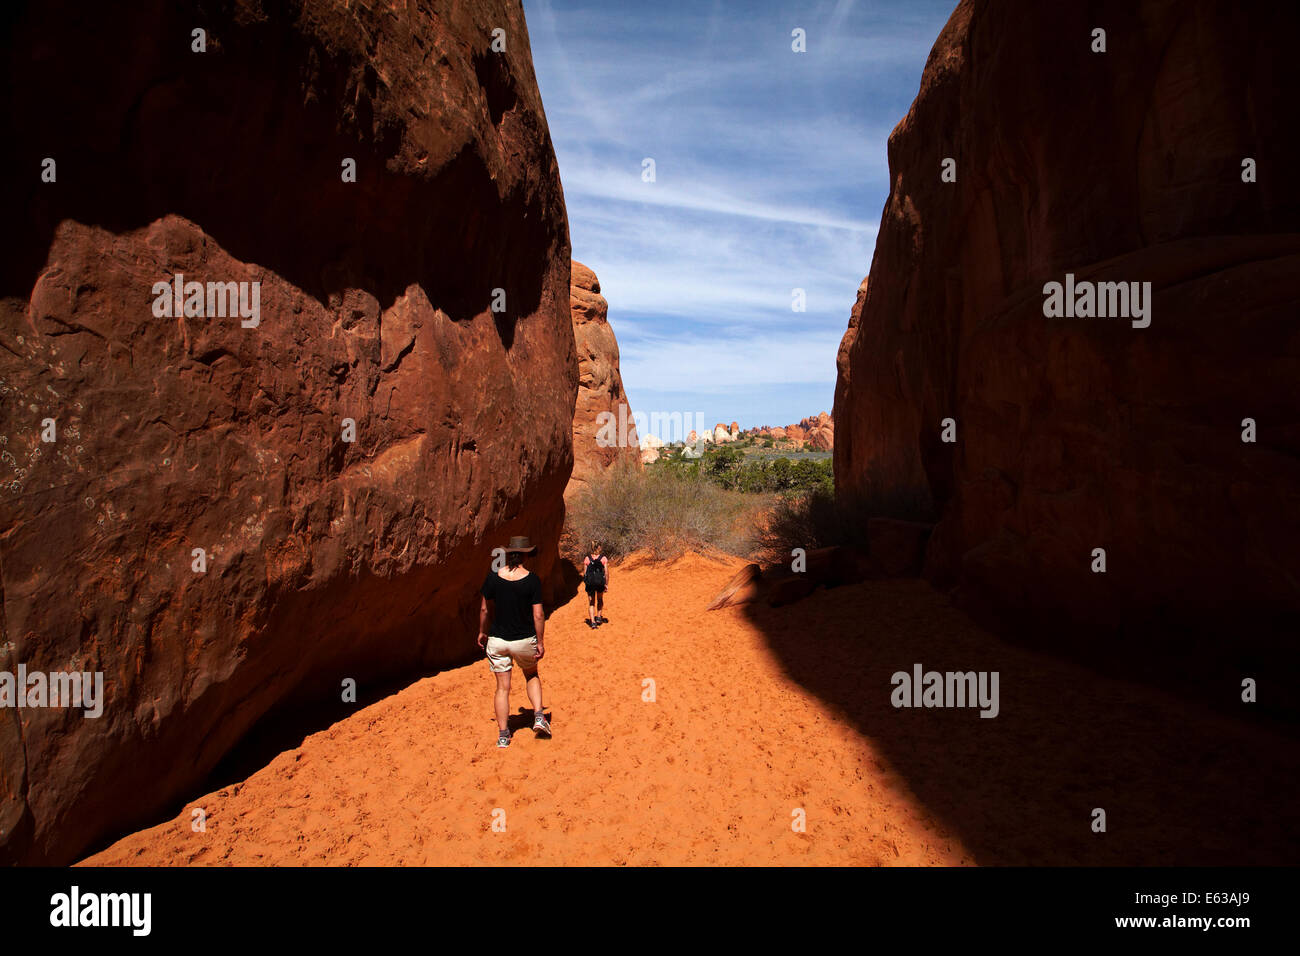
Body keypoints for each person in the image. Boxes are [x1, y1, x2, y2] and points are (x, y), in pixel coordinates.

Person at [478, 535, 551, 748]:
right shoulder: (532, 580)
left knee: (502, 688)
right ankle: (539, 716)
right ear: (526, 555)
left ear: (509, 554)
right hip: (524, 639)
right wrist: (540, 641)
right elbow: (538, 615)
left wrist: (482, 632)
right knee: (531, 674)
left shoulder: (493, 577)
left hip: (498, 640)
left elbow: (484, 609)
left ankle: (503, 735)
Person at [582, 542, 609, 628]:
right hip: (600, 583)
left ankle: (593, 622)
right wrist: (606, 584)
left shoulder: (587, 559)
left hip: (590, 584)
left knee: (591, 602)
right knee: (600, 599)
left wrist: (587, 583)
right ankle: (598, 617)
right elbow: (606, 573)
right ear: (598, 548)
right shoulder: (603, 558)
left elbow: (585, 573)